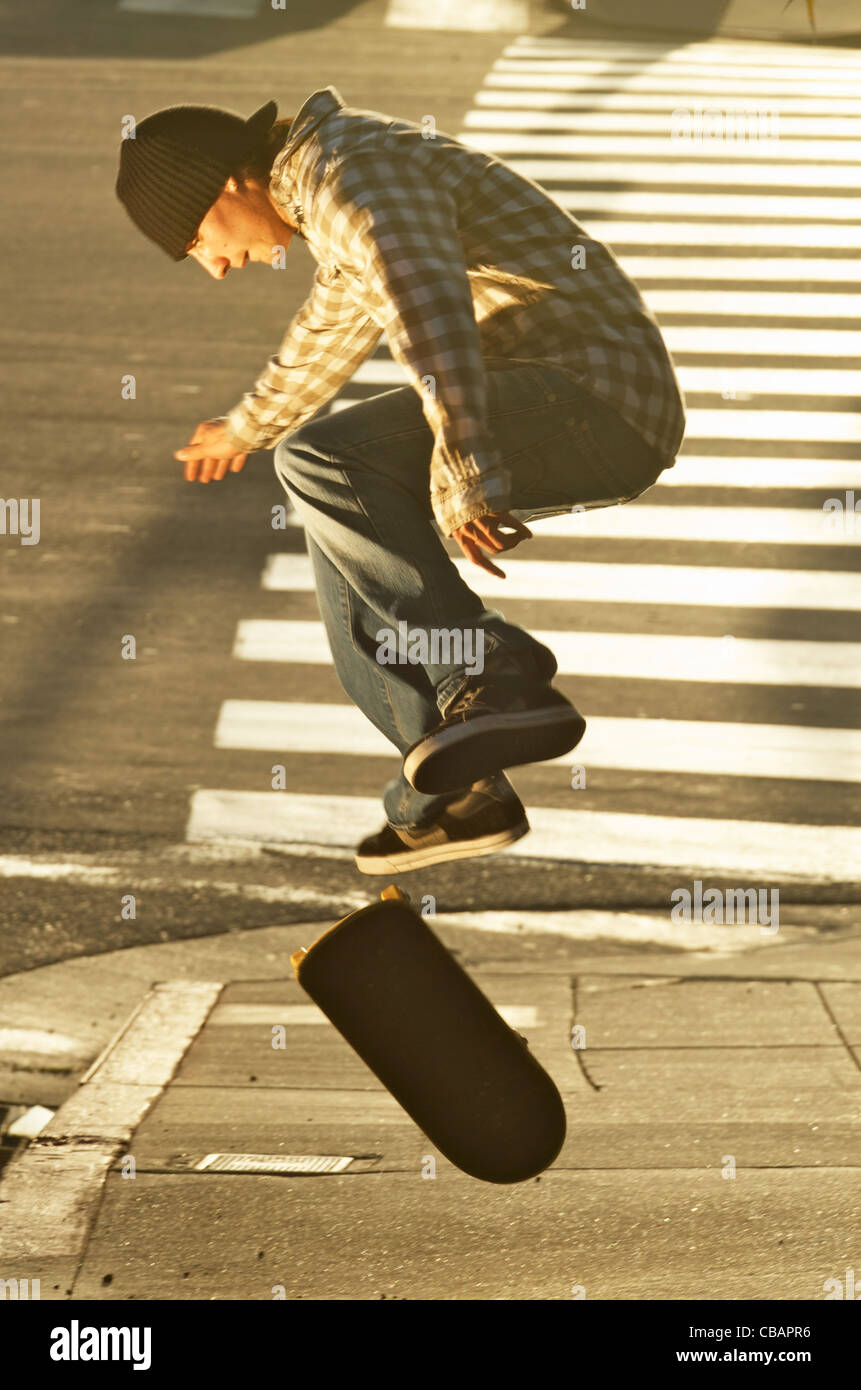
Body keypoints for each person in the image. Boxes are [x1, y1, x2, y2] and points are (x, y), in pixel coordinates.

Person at [115, 87, 685, 874]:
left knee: (322, 461)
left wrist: (464, 470)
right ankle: (451, 798)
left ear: (229, 185)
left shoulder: (354, 178)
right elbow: (332, 329)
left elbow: (431, 321)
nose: (215, 268)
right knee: (335, 526)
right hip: (557, 400)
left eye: (197, 240)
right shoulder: (331, 192)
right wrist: (245, 426)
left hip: (596, 395)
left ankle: (489, 672)